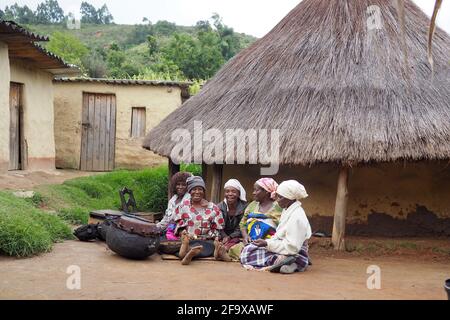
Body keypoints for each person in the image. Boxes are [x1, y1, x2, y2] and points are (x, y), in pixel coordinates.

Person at [240, 180, 312, 274]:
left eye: (280, 197)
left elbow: (292, 247)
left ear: (289, 198)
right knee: (248, 249)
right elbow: (279, 235)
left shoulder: (296, 217)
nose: (277, 200)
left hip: (296, 252)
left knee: (246, 255)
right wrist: (267, 242)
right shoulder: (287, 210)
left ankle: (290, 262)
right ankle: (288, 263)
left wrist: (267, 244)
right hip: (283, 248)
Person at [172, 176, 227, 265]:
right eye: (194, 189)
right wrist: (184, 234)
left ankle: (188, 254)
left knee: (206, 247)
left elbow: (217, 229)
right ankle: (188, 251)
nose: (197, 192)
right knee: (179, 246)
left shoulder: (213, 208)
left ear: (204, 191)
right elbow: (179, 227)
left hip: (206, 241)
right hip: (189, 240)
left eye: (200, 189)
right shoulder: (183, 207)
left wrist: (215, 238)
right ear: (189, 191)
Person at [240, 178, 282, 244]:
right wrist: (246, 236)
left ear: (266, 191)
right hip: (251, 242)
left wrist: (268, 242)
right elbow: (243, 224)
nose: (253, 193)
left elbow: (283, 228)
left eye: (256, 190)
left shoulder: (279, 207)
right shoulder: (252, 205)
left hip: (271, 244)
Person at [216, 179, 248, 257]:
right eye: (227, 191)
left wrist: (230, 237)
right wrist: (224, 236)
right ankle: (221, 250)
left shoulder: (245, 207)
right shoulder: (219, 207)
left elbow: (242, 226)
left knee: (237, 243)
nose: (230, 194)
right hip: (222, 235)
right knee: (216, 241)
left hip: (238, 236)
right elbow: (218, 225)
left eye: (233, 191)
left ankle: (223, 250)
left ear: (238, 194)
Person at [157, 171, 192, 240]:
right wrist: (155, 228)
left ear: (188, 186)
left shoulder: (189, 199)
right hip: (169, 231)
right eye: (178, 184)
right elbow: (166, 219)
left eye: (183, 185)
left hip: (183, 233)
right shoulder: (172, 200)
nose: (180, 187)